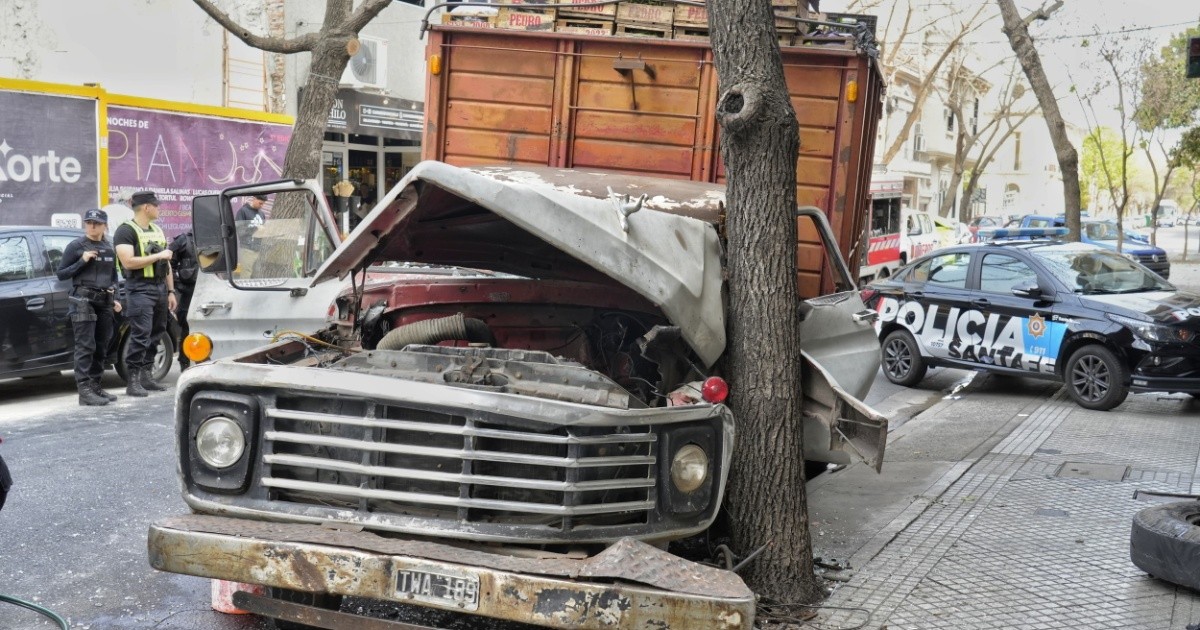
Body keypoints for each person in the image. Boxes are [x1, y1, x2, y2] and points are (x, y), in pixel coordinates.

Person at [56, 209, 122, 406]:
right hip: (83, 300)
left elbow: (114, 277)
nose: (92, 226)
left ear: (104, 225)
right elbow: (62, 274)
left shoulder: (109, 246)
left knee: (102, 345)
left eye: (96, 223)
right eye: (89, 222)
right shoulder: (76, 246)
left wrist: (116, 296)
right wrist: (82, 261)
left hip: (105, 301)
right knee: (85, 346)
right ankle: (84, 390)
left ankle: (95, 386)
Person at [114, 191, 175, 397]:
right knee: (140, 334)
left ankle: (147, 376)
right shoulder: (125, 231)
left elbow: (166, 264)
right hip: (139, 288)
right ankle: (133, 380)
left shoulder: (157, 229)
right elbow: (128, 261)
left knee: (157, 332)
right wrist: (159, 254)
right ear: (146, 207)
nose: (159, 209)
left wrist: (171, 291)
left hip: (159, 287)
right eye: (156, 206)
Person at [169, 230, 198, 370]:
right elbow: (168, 264)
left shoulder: (212, 239)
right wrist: (175, 287)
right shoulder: (183, 240)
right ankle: (184, 362)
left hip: (206, 290)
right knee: (187, 328)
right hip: (185, 292)